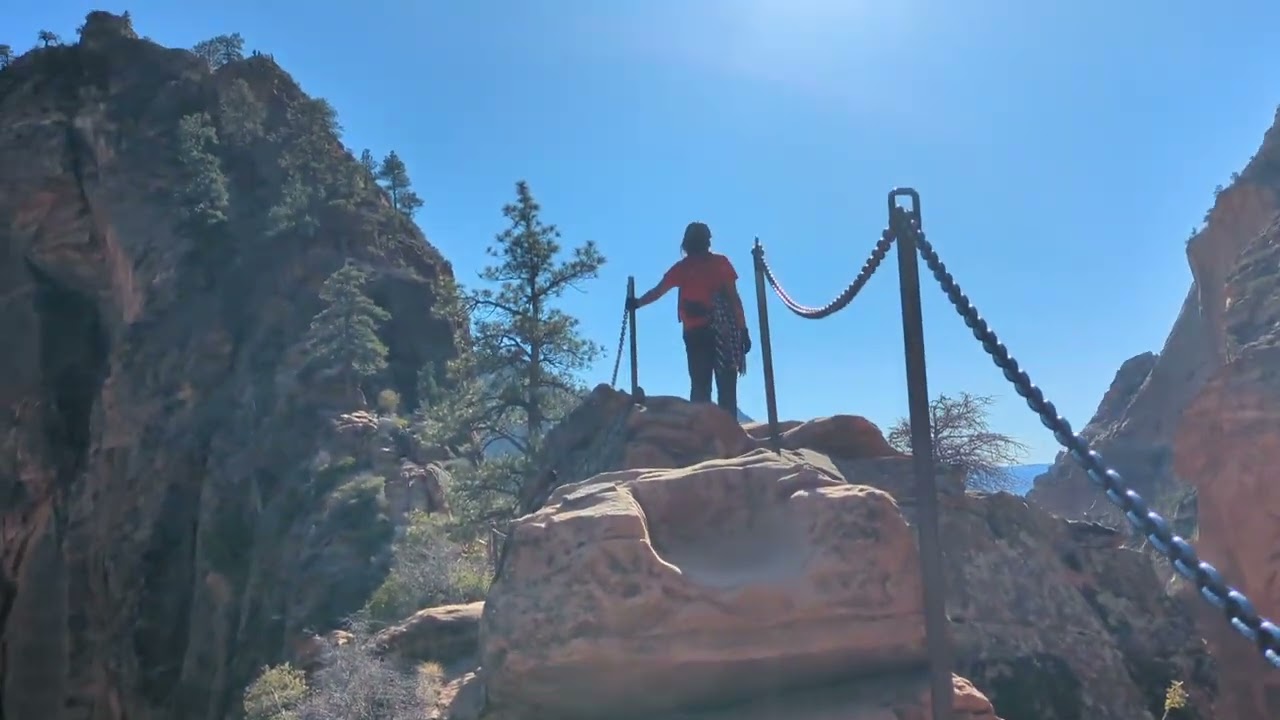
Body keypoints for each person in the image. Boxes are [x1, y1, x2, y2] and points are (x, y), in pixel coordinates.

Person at [628, 222, 751, 416]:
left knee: (701, 389)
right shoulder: (717, 263)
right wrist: (743, 329)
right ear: (708, 241)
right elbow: (733, 298)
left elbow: (658, 291)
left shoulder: (686, 267)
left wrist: (637, 303)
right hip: (721, 334)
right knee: (723, 391)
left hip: (698, 333)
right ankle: (724, 430)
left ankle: (703, 430)